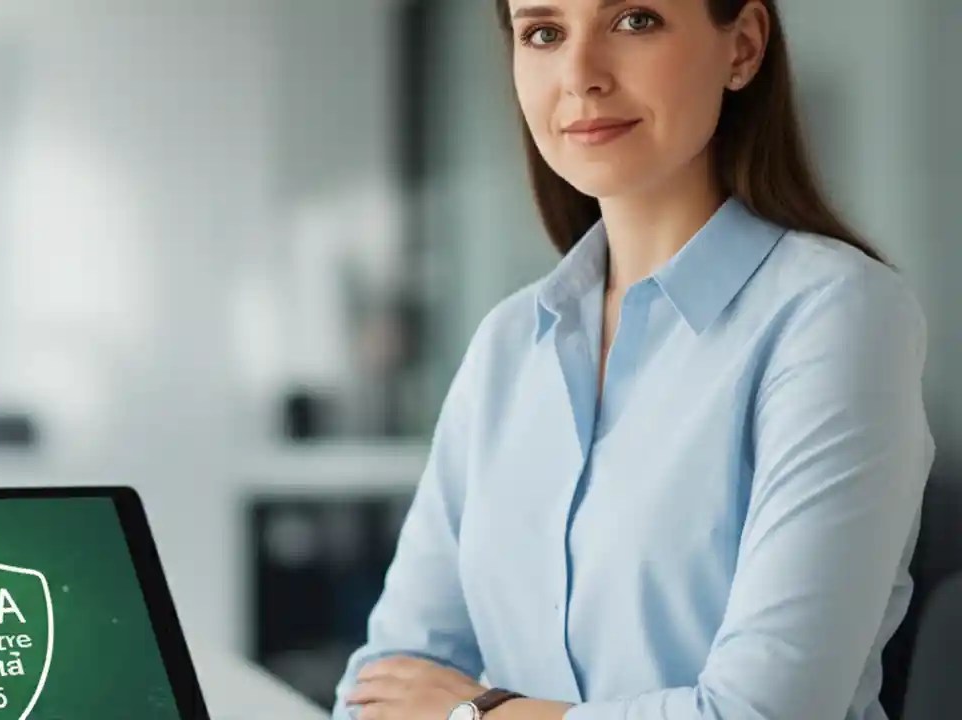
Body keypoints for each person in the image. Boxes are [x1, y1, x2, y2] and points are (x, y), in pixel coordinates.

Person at [334, 1, 934, 719]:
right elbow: (379, 688)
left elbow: (762, 713)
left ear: (743, 47)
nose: (580, 75)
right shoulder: (508, 345)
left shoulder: (834, 315)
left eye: (634, 20)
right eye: (544, 33)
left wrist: (481, 713)